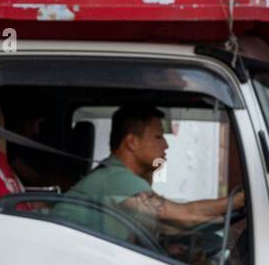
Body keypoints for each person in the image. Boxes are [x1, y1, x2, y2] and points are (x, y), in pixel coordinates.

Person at [54, 102, 243, 244]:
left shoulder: (118, 178)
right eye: (158, 136)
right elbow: (185, 216)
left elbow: (166, 227)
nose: (166, 145)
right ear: (132, 142)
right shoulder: (117, 178)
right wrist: (239, 201)